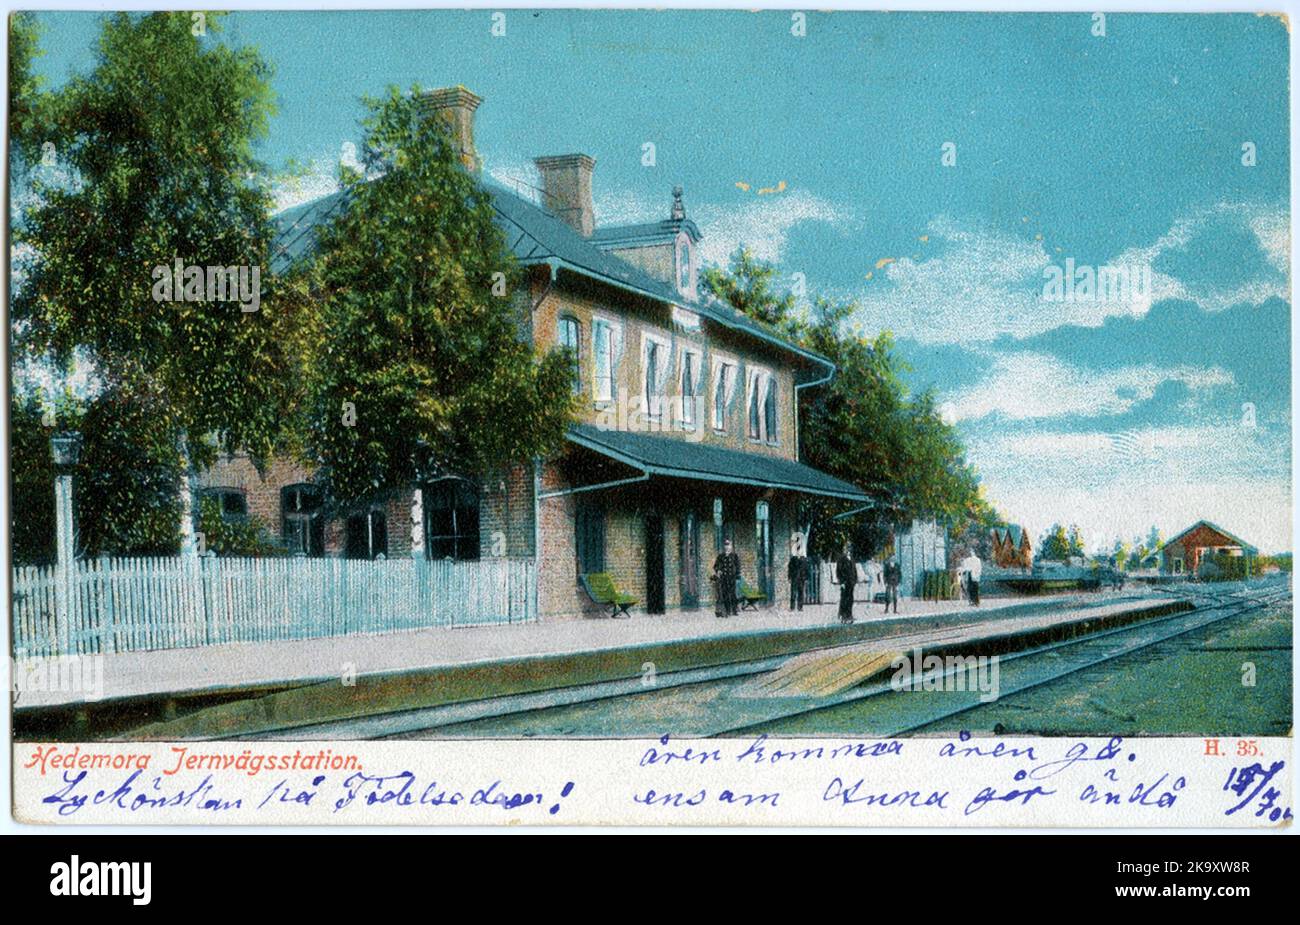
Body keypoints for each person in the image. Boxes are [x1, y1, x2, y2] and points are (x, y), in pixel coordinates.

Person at [713, 538, 741, 618]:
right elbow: (715, 566)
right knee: (725, 594)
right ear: (724, 546)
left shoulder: (734, 556)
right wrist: (718, 570)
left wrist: (737, 575)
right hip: (724, 578)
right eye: (726, 545)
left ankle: (734, 610)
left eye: (728, 545)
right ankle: (727, 610)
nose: (727, 547)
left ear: (731, 546)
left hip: (732, 578)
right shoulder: (720, 556)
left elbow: (738, 566)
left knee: (732, 593)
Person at [835, 542, 856, 624]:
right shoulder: (841, 559)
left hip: (851, 582)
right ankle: (843, 615)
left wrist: (855, 580)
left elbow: (854, 570)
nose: (848, 550)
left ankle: (849, 614)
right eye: (846, 548)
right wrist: (841, 582)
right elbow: (838, 571)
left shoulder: (851, 558)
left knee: (850, 599)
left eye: (849, 548)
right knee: (844, 599)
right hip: (844, 582)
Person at [787, 540, 807, 611]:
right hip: (794, 578)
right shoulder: (793, 559)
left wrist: (806, 578)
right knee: (793, 593)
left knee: (801, 593)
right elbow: (790, 568)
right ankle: (792, 607)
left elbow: (806, 569)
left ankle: (800, 607)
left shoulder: (804, 559)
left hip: (801, 579)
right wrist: (789, 577)